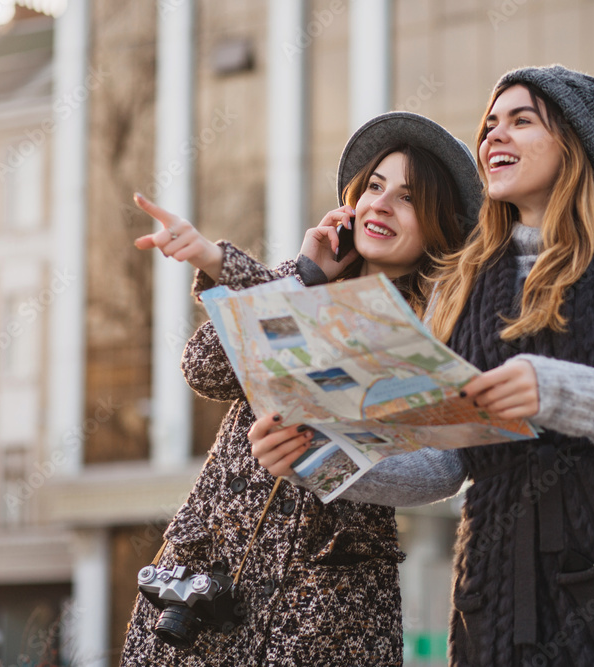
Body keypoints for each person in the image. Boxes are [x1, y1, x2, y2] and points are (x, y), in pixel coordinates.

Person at [252, 65, 594, 666]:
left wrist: (550, 388)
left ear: (574, 147)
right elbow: (445, 462)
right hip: (492, 618)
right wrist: (317, 460)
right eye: (490, 124)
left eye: (522, 121)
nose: (495, 135)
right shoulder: (463, 283)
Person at [118, 112, 481, 666]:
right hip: (204, 578)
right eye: (374, 187)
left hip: (326, 604)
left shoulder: (444, 326)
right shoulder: (306, 288)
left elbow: (444, 468)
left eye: (406, 197)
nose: (380, 204)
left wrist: (320, 461)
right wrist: (303, 274)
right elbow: (205, 368)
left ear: (440, 224)